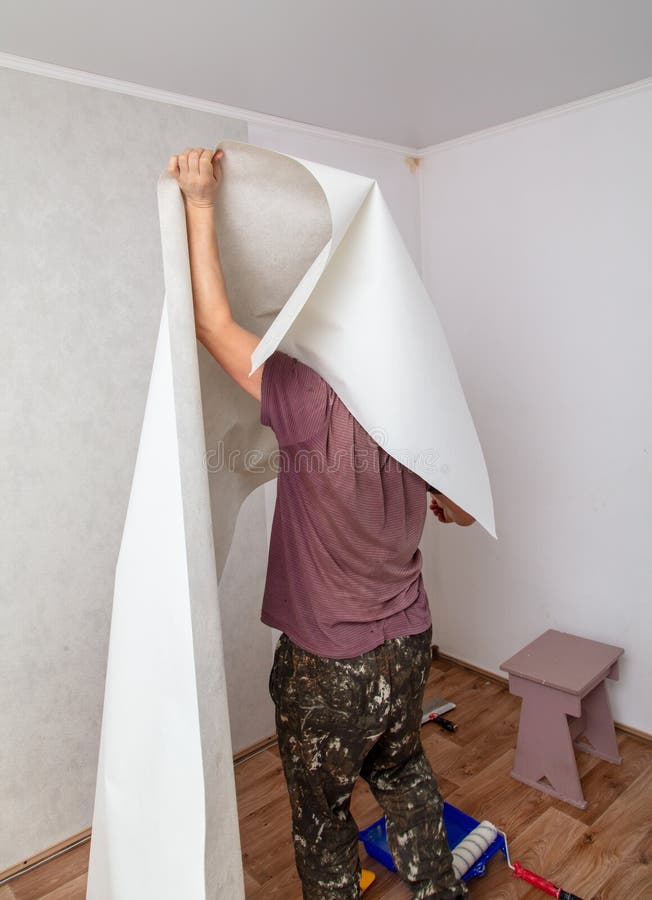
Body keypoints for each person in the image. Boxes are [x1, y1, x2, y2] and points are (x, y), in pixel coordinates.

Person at [168, 146, 473, 900]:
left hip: (328, 664)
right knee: (403, 773)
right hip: (408, 643)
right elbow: (463, 505)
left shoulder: (312, 398)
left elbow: (212, 326)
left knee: (321, 812)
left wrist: (200, 203)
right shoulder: (416, 401)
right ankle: (441, 890)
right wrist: (428, 493)